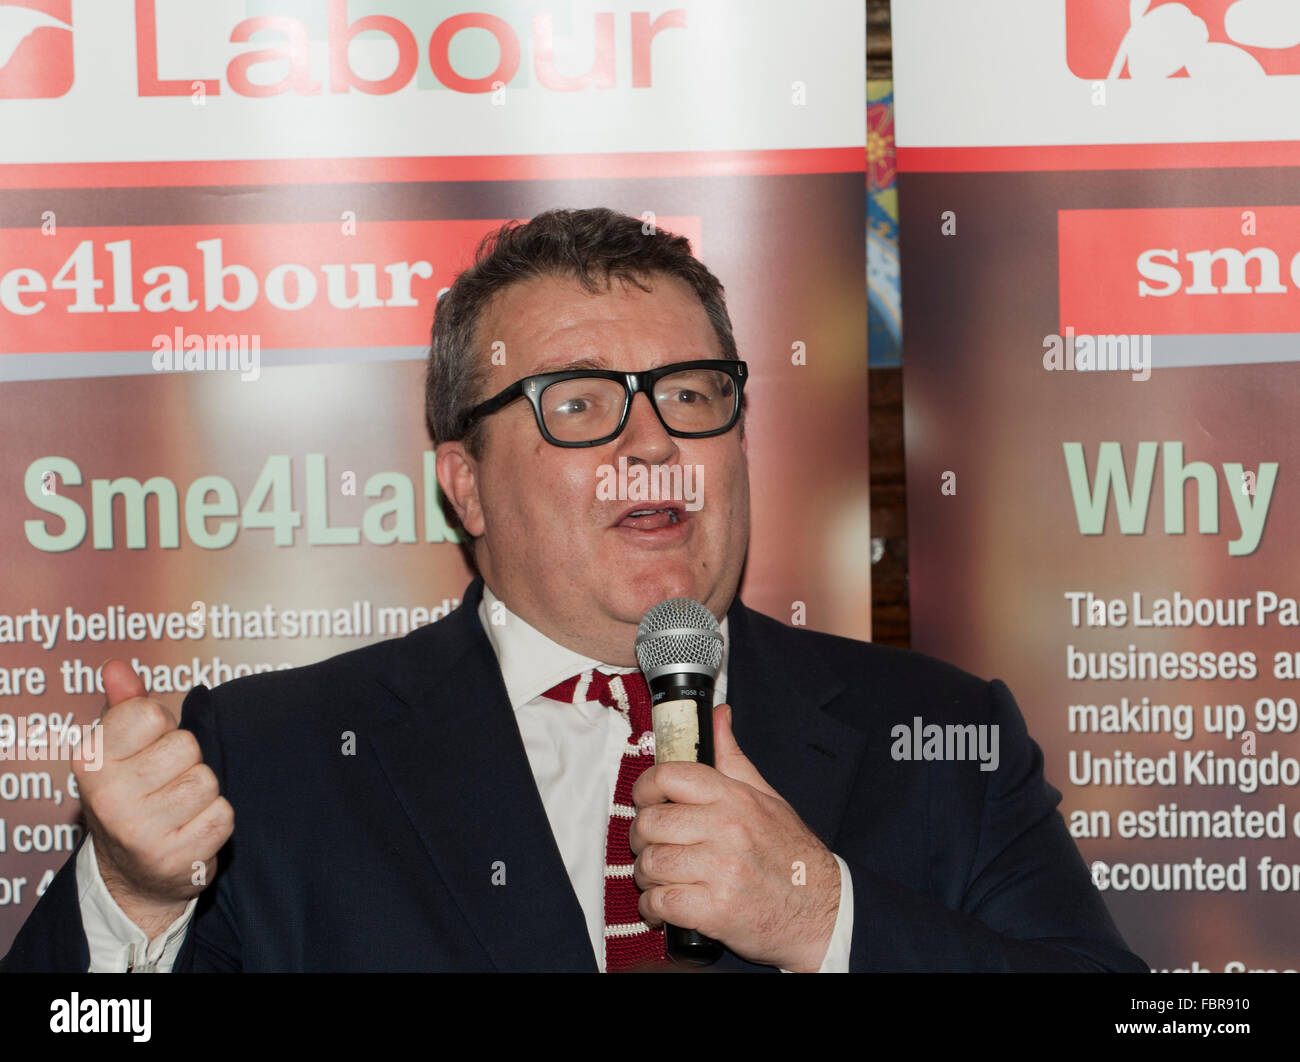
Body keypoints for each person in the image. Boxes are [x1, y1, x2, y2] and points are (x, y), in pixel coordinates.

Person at [2, 208, 1146, 973]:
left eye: (692, 396)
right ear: (466, 484)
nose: (651, 444)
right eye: (581, 404)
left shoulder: (941, 736)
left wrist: (821, 915)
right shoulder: (271, 759)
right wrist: (133, 898)